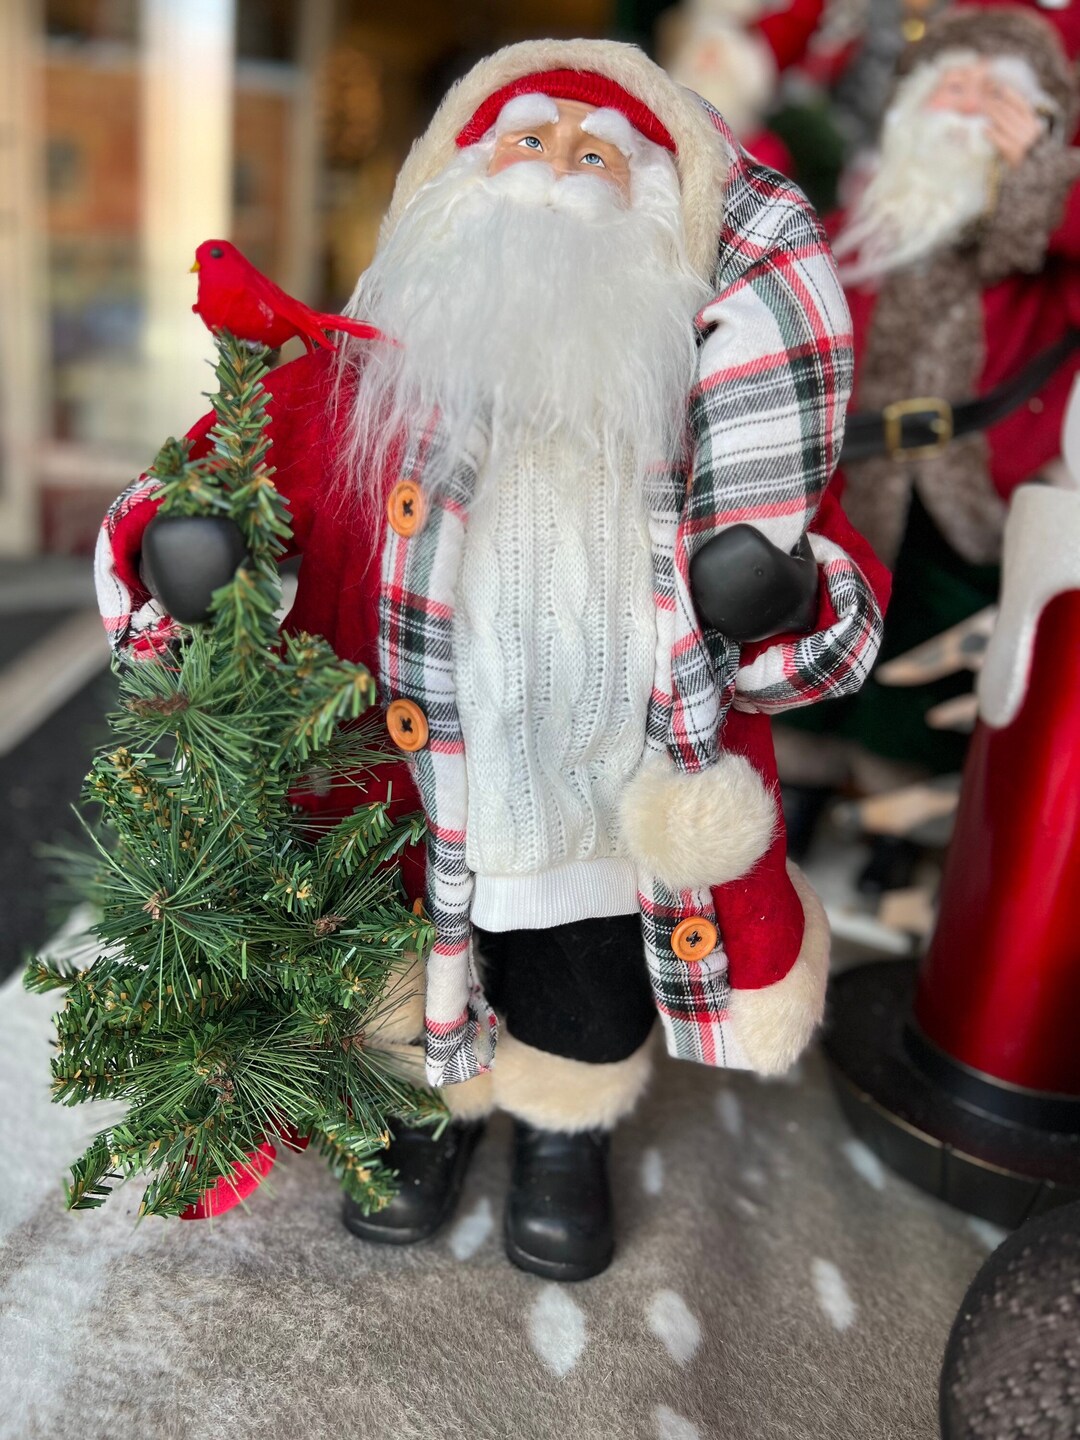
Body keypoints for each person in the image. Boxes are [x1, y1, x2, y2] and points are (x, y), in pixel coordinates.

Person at [96, 39, 887, 1280]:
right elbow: (216, 475)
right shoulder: (356, 394)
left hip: (602, 802)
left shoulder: (698, 427)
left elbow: (828, 616)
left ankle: (563, 1136)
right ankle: (427, 1117)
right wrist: (192, 554)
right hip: (413, 792)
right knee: (409, 969)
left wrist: (775, 593)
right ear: (446, 188)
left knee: (584, 988)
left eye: (594, 160)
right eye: (524, 143)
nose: (554, 175)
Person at [776, 1, 1080, 889]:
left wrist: (1041, 183)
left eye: (999, 91)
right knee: (819, 633)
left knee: (924, 676)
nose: (970, 101)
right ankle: (798, 789)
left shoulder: (1039, 236)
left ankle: (898, 829)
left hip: (974, 498)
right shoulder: (863, 220)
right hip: (849, 484)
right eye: (954, 82)